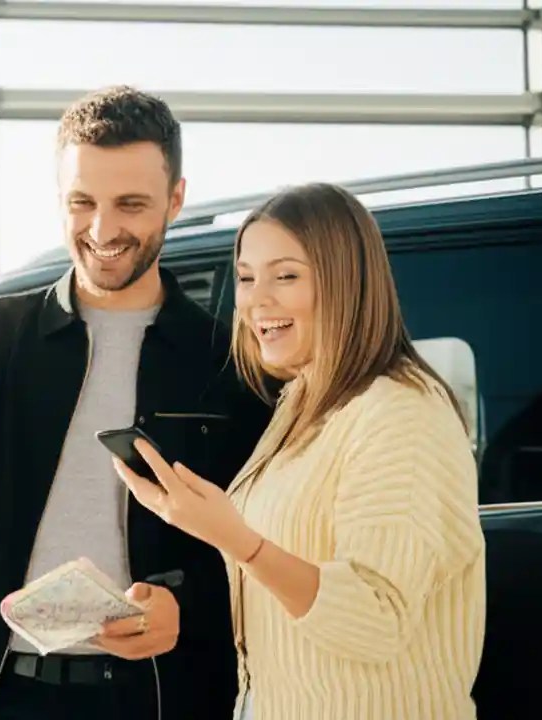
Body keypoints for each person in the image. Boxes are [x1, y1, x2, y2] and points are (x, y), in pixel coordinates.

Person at [0, 85, 272, 720]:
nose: (102, 230)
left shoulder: (228, 361)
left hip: (153, 697)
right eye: (82, 202)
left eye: (130, 204)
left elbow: (265, 544)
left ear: (175, 199)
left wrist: (190, 606)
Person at [115, 182, 487, 720]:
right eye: (246, 278)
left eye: (285, 276)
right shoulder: (302, 405)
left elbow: (376, 617)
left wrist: (234, 538)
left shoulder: (400, 413)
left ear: (345, 283)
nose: (256, 300)